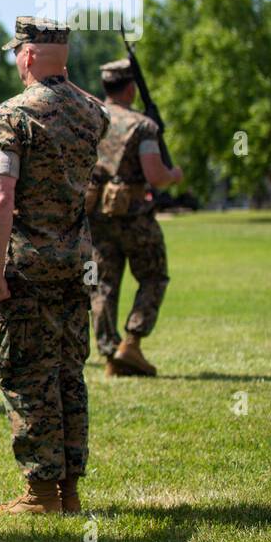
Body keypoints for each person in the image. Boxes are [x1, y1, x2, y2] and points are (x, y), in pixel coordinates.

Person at [0, 17, 108, 514]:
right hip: (77, 262)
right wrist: (63, 74)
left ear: (27, 55)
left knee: (27, 374)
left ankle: (40, 493)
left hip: (28, 266)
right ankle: (70, 489)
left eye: (18, 53)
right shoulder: (91, 113)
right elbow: (89, 103)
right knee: (68, 372)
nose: (16, 61)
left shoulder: (13, 115)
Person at [88, 58, 183, 378]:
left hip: (97, 215)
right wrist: (173, 175)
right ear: (131, 88)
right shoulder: (142, 125)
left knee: (102, 284)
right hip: (134, 216)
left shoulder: (89, 118)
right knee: (154, 276)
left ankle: (109, 352)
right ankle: (131, 342)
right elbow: (155, 176)